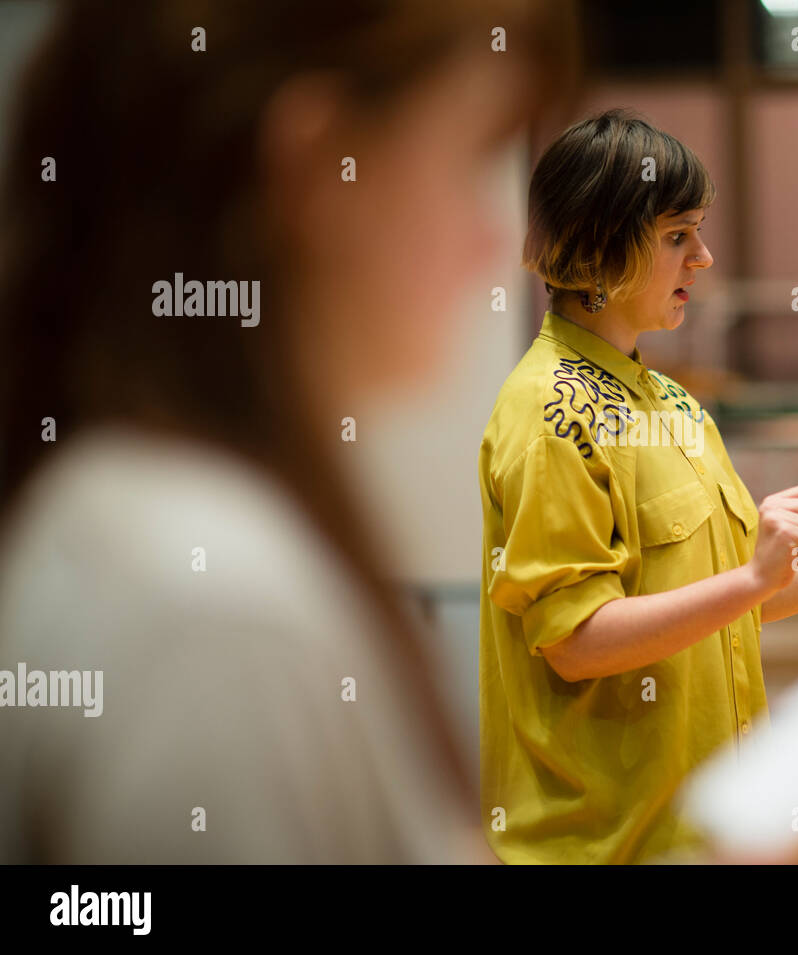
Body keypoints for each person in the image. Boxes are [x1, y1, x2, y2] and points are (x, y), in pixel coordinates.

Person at [0, 0, 575, 863]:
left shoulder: (166, 531)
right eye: (473, 159)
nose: (499, 241)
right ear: (319, 165)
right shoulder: (206, 610)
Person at [478, 108, 798, 864]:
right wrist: (753, 576)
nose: (705, 257)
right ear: (599, 245)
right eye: (677, 236)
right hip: (601, 849)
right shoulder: (549, 412)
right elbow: (575, 641)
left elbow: (756, 594)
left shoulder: (674, 405)